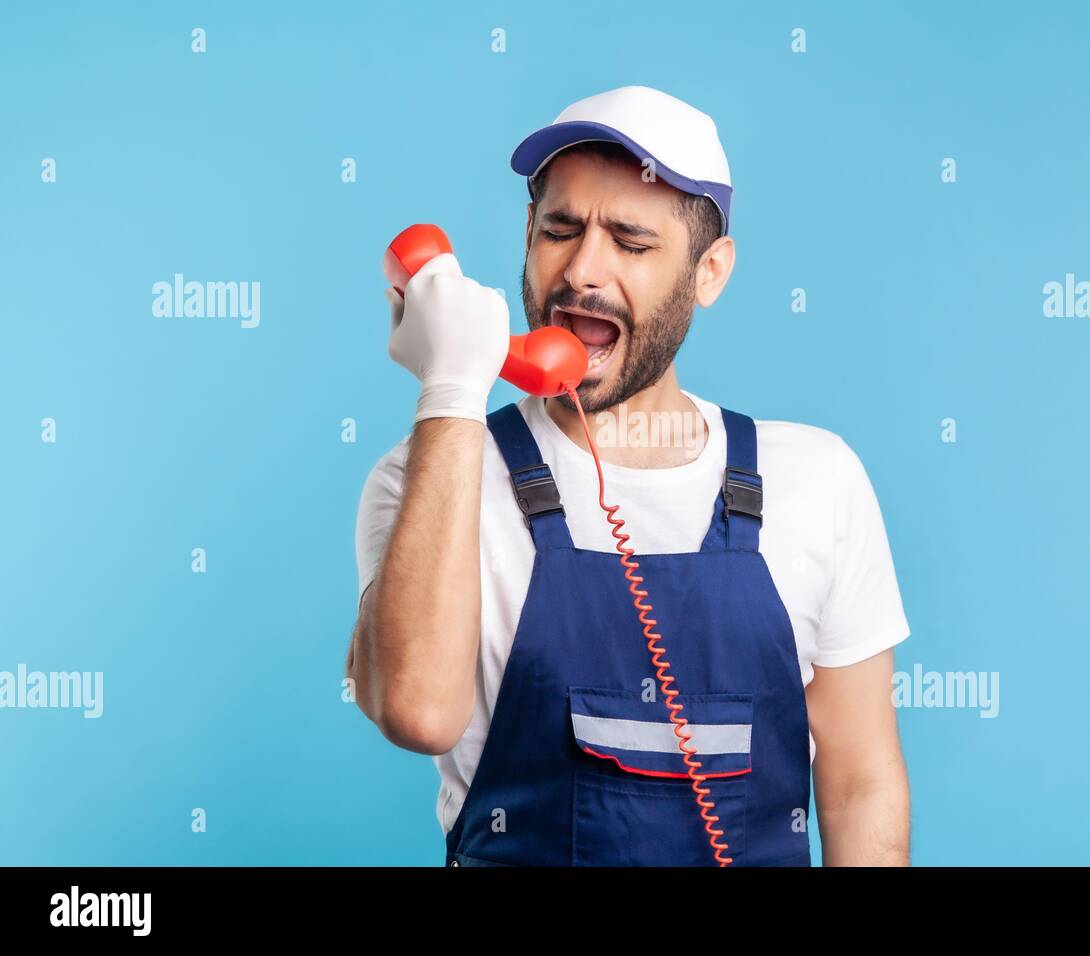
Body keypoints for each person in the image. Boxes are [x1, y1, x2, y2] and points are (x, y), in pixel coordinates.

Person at [346, 86, 912, 867]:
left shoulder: (816, 480)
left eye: (631, 241)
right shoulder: (429, 477)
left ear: (708, 273)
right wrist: (450, 392)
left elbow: (860, 782)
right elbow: (417, 710)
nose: (582, 271)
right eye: (560, 229)